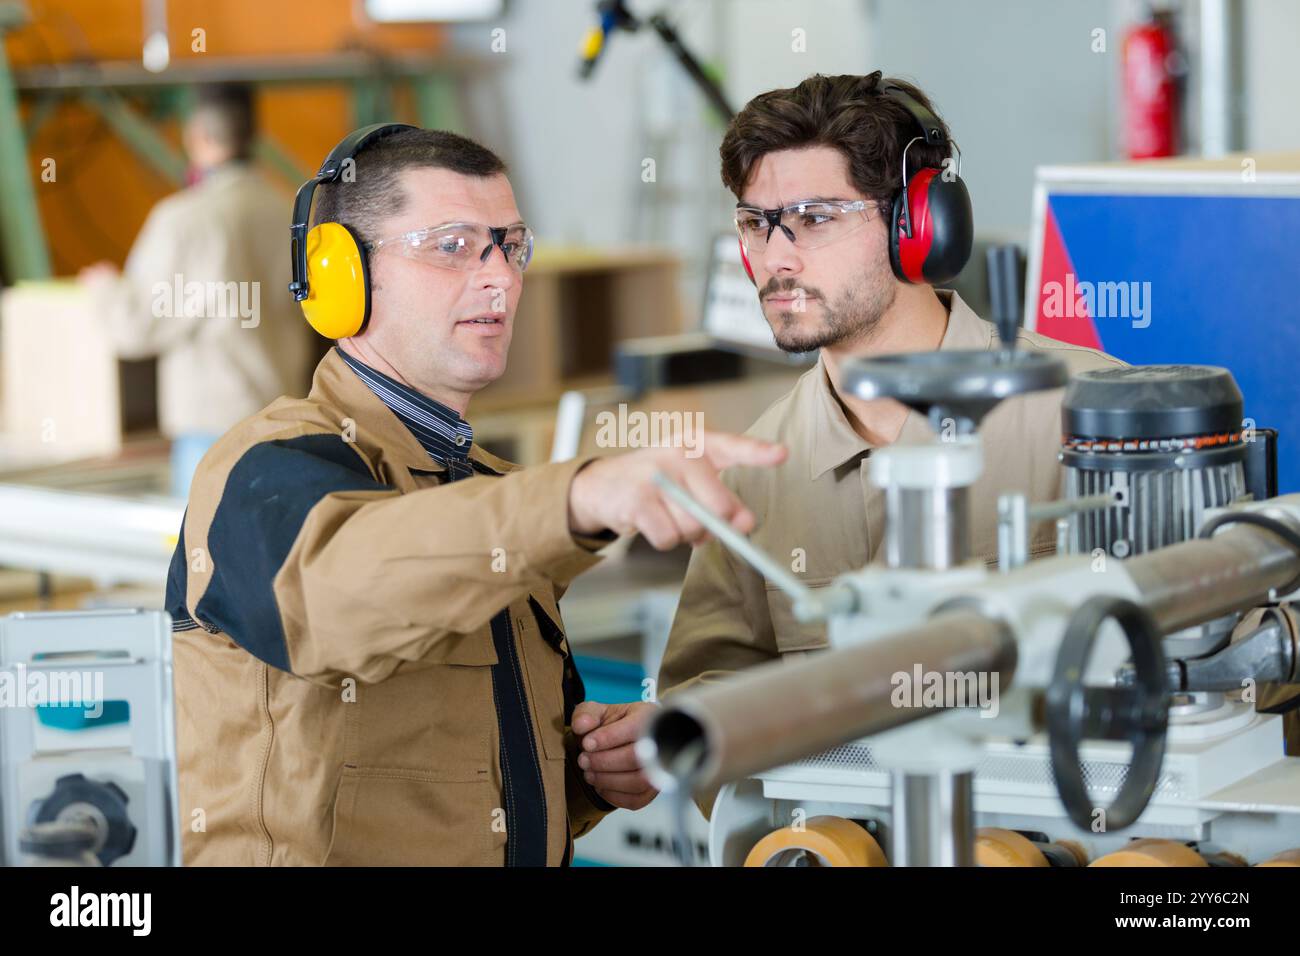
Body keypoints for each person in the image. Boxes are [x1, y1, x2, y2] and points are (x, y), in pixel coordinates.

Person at [164, 125, 786, 865]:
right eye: (453, 246)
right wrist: (579, 496)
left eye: (511, 247)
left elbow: (464, 774)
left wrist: (593, 766)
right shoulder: (268, 467)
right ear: (340, 276)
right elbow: (338, 595)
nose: (500, 280)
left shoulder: (484, 488)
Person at [655, 73, 1125, 815]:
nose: (776, 259)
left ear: (919, 226)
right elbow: (708, 699)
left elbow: (1213, 669)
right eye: (756, 223)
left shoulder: (1093, 416)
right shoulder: (754, 471)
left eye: (813, 219)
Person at [80, 83, 310, 496]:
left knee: (203, 556)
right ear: (253, 137)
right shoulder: (288, 214)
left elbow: (137, 326)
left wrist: (103, 288)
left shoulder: (185, 219)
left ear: (197, 136)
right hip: (283, 423)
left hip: (214, 434)